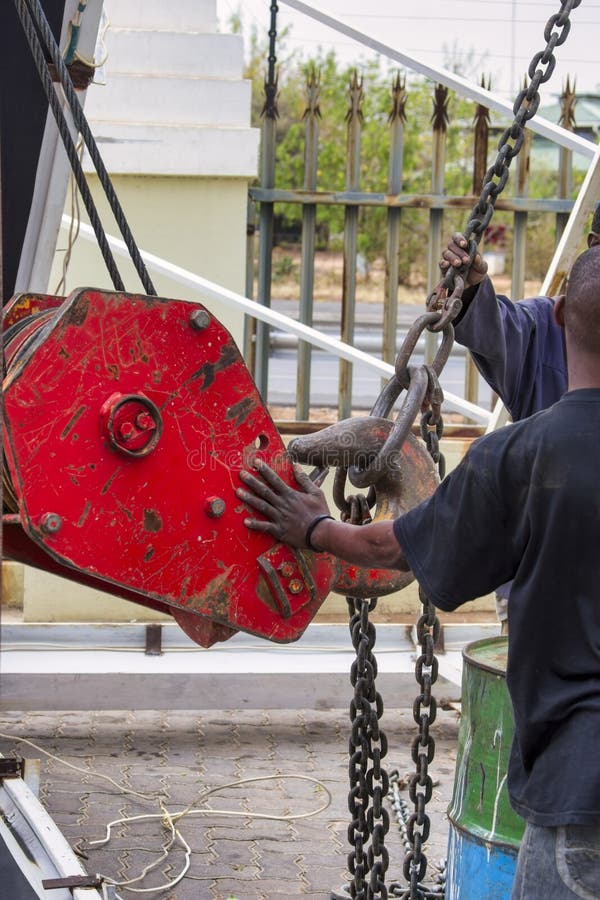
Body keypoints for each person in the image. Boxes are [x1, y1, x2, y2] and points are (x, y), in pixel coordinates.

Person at [235, 245, 600, 900]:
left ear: (556, 314)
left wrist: (314, 527)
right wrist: (471, 299)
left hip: (580, 794)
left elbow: (393, 548)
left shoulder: (517, 458)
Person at [439, 207, 600, 629]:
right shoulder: (546, 329)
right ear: (592, 252)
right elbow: (499, 329)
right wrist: (471, 289)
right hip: (542, 595)